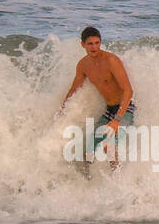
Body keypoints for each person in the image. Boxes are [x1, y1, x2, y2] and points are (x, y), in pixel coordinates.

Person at [57, 26, 135, 159]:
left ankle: (118, 178)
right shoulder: (83, 65)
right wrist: (63, 109)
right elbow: (74, 89)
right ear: (82, 45)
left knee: (109, 147)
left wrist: (117, 119)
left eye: (97, 43)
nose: (94, 47)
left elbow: (128, 90)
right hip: (109, 110)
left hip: (125, 109)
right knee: (88, 151)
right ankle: (87, 179)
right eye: (90, 44)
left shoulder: (111, 61)